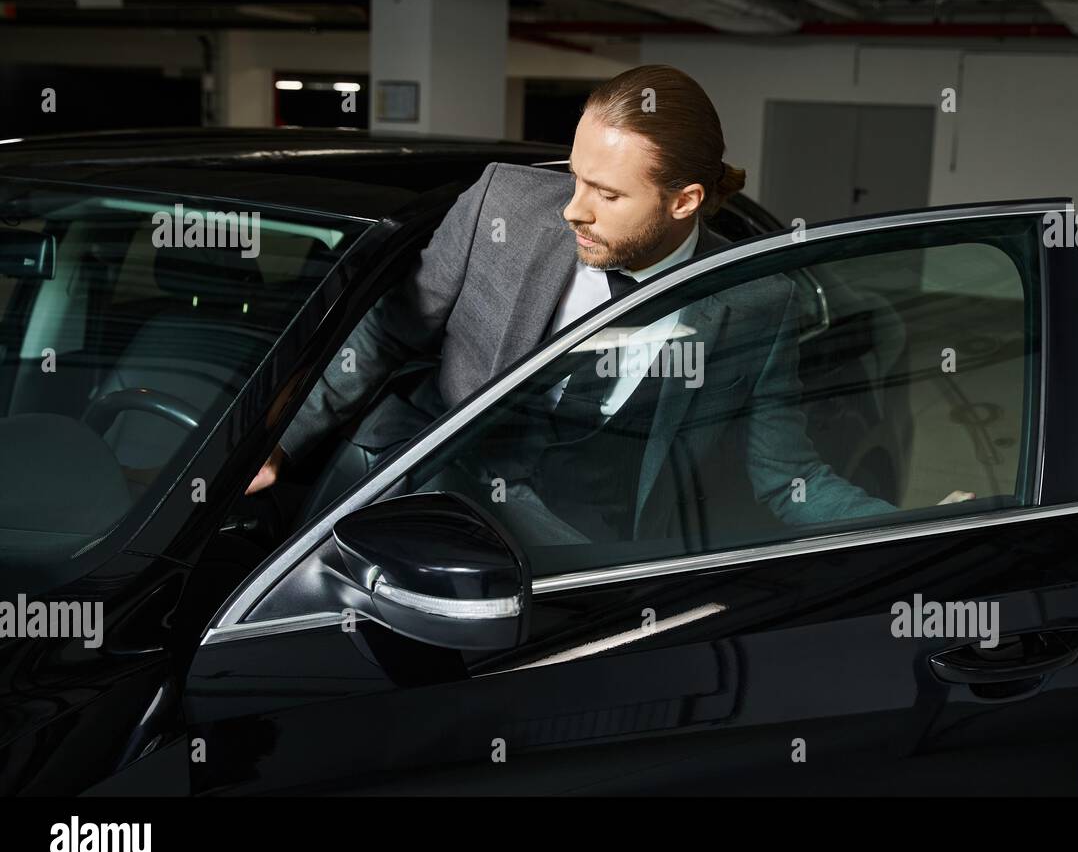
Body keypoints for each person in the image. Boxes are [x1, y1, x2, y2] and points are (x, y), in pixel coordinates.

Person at [247, 64, 973, 534]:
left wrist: (918, 527)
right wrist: (280, 442)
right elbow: (386, 334)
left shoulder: (754, 299)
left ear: (685, 200)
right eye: (574, 176)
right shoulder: (504, 203)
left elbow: (787, 476)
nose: (573, 209)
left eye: (607, 193)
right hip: (434, 495)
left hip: (584, 548)